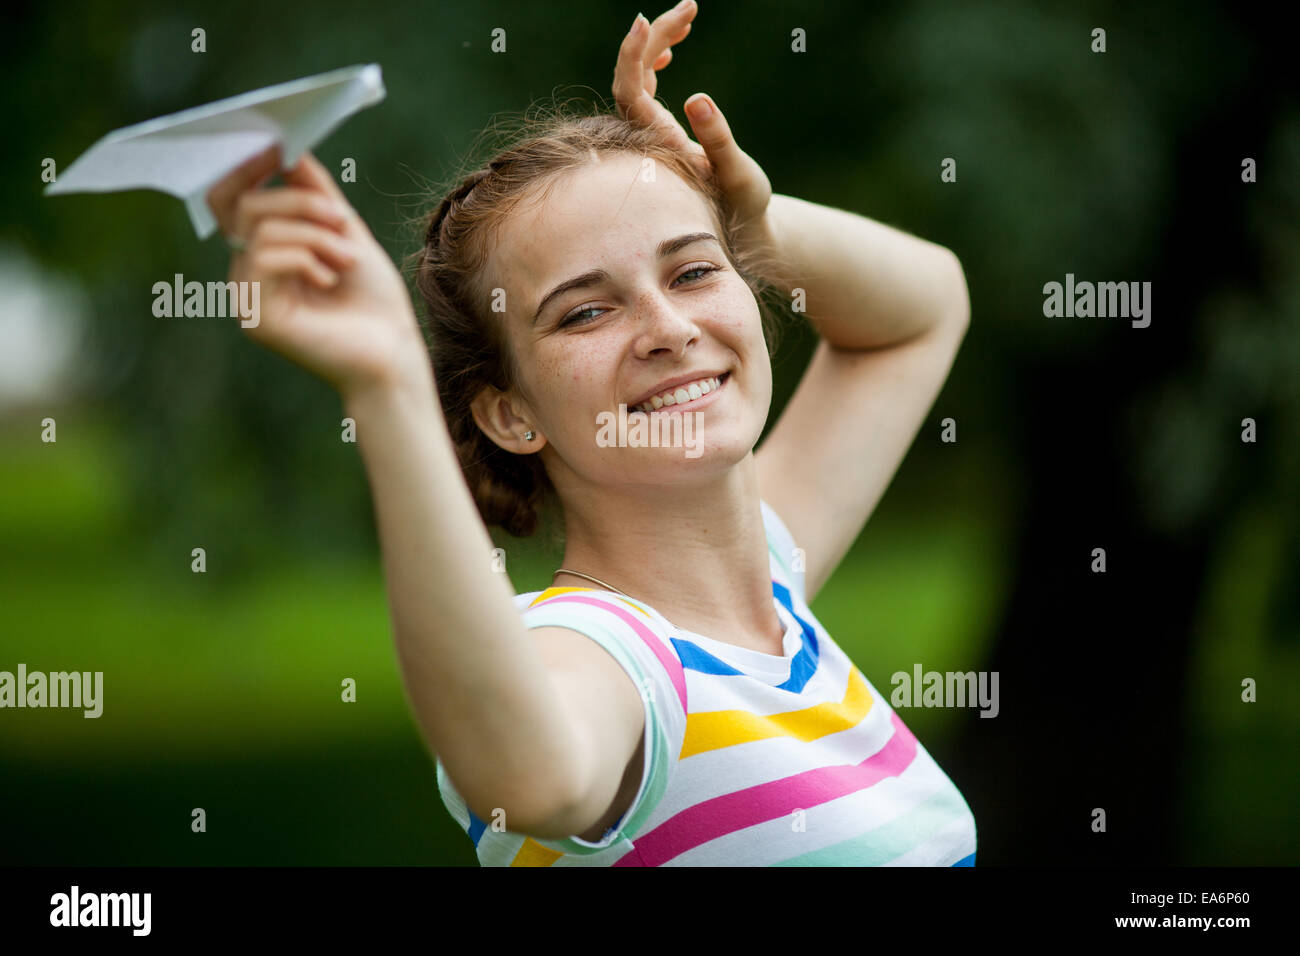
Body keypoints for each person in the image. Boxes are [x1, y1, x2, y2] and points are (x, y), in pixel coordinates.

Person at [209, 0, 974, 866]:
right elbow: (532, 782)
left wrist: (753, 225)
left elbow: (925, 306)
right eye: (584, 312)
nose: (667, 328)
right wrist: (386, 383)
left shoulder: (769, 581)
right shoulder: (606, 657)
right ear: (510, 412)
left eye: (692, 270)